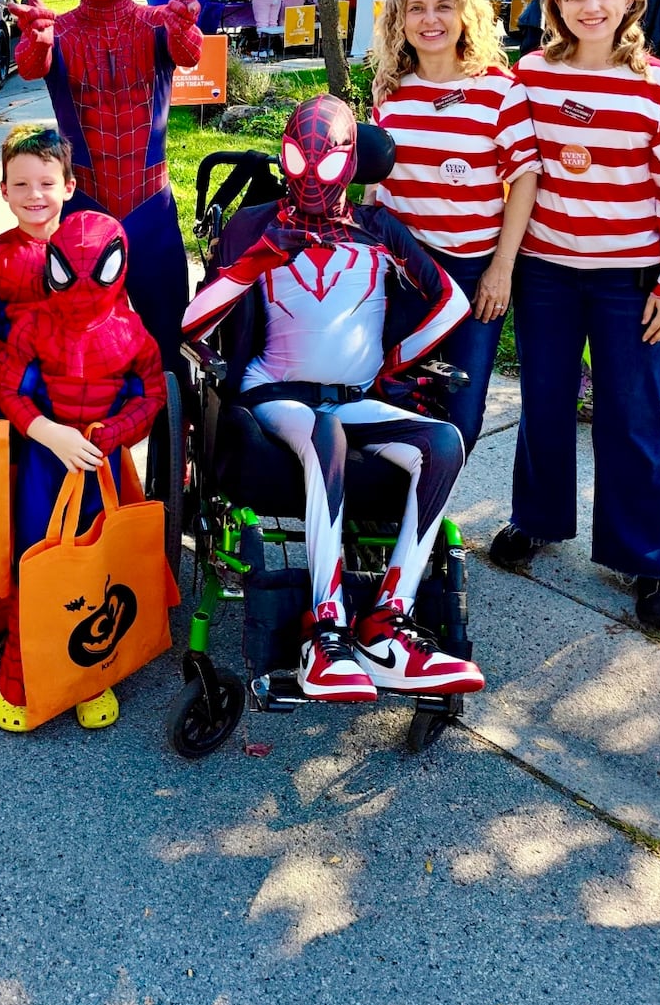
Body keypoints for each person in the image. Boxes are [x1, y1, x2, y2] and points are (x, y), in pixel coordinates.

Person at [183, 95, 484, 703]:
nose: (311, 175)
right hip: (274, 397)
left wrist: (397, 362)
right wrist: (257, 260)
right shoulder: (257, 228)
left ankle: (386, 621)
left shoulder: (379, 231)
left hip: (354, 397)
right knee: (327, 433)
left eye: (325, 162)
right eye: (299, 157)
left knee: (443, 442)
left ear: (349, 164)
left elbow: (451, 302)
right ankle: (326, 631)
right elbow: (191, 325)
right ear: (288, 155)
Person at [491, 0, 660, 630]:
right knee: (544, 404)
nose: (591, 4)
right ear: (555, 2)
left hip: (628, 280)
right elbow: (512, 165)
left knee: (633, 416)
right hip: (547, 273)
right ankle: (537, 519)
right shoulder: (530, 77)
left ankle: (645, 555)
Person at [8, 0, 202, 372]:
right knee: (82, 354)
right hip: (84, 210)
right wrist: (34, 39)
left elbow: (189, 51)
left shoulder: (159, 21)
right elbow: (32, 64)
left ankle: (171, 442)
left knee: (169, 344)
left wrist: (185, 27)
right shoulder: (58, 30)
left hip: (151, 207)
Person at [0, 210, 166, 732]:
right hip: (45, 465)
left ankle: (91, 674)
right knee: (35, 561)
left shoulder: (133, 334)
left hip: (100, 467)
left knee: (98, 566)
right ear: (53, 267)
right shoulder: (32, 327)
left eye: (101, 271)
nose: (85, 289)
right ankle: (19, 677)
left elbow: (153, 395)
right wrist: (47, 431)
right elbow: (9, 391)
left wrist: (113, 433)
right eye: (72, 273)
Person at [366, 0, 540, 453]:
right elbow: (378, 180)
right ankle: (394, 516)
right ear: (400, 19)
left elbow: (525, 177)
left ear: (465, 15)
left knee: (462, 409)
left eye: (444, 6)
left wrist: (501, 268)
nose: (430, 19)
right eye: (416, 8)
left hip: (470, 274)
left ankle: (429, 504)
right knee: (392, 394)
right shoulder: (391, 90)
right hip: (400, 270)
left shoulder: (498, 90)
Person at [0, 123, 76, 645]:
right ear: (2, 189)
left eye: (46, 183)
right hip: (8, 407)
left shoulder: (89, 250)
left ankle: (69, 595)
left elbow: (114, 318)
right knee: (5, 506)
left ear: (68, 186)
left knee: (65, 504)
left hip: (74, 407)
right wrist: (14, 368)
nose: (34, 196)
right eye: (20, 185)